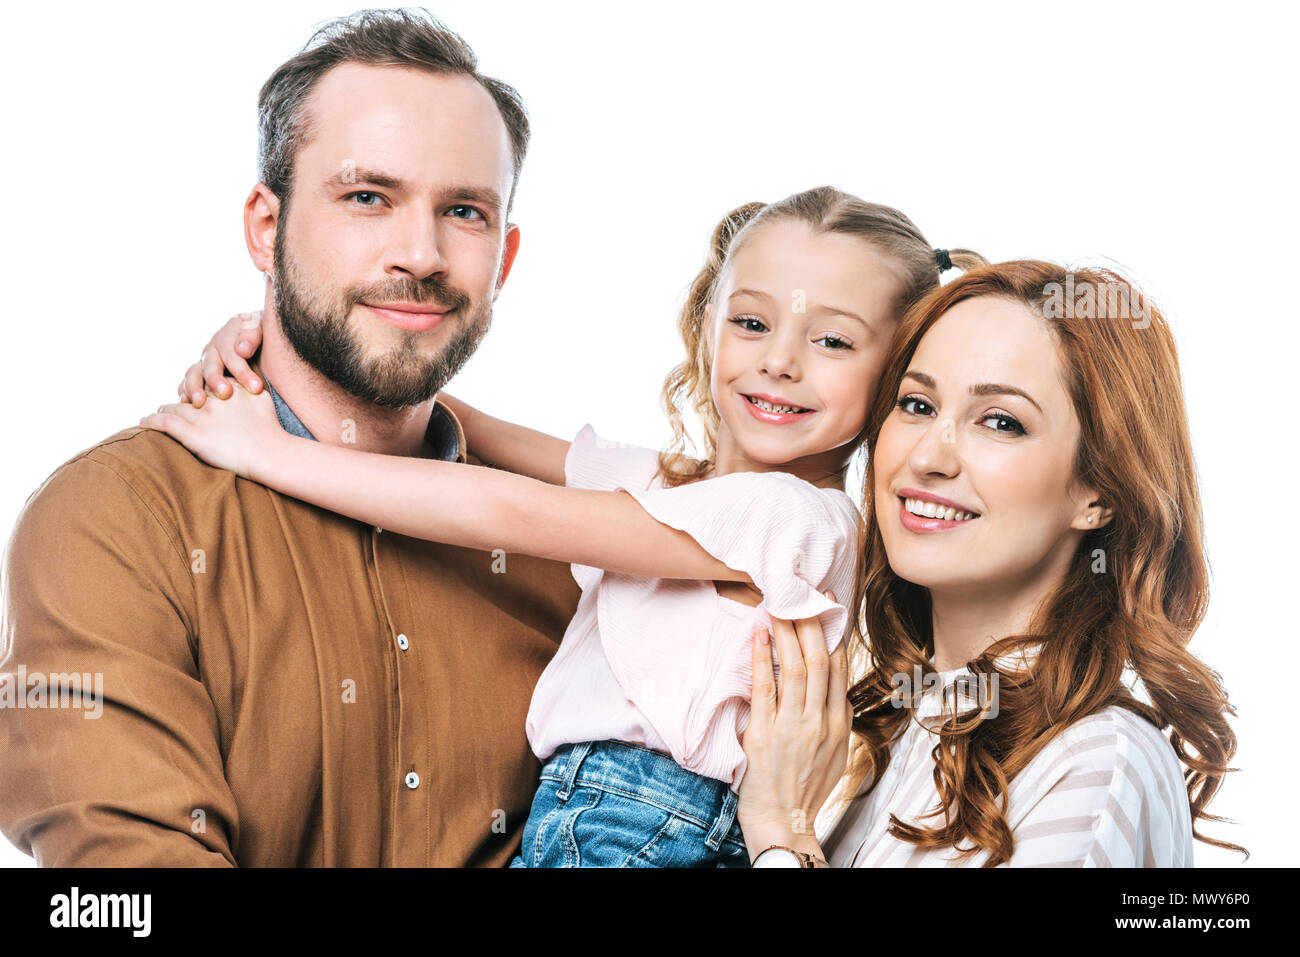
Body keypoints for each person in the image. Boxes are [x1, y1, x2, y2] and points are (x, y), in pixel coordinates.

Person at [147, 188, 980, 867]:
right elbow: (470, 426)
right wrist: (282, 345)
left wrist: (269, 455)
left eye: (833, 340)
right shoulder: (685, 489)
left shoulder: (789, 517)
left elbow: (505, 508)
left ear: (896, 372)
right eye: (753, 322)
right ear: (708, 320)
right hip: (602, 813)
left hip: (641, 823)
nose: (780, 360)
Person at [0, 9, 585, 866]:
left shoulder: (583, 547)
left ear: (505, 255)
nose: (419, 253)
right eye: (366, 198)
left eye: (463, 210)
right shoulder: (112, 524)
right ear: (265, 228)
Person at [733, 260, 1246, 867]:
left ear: (1099, 492)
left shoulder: (1100, 761)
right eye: (917, 404)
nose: (927, 456)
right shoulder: (899, 729)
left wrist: (778, 833)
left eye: (1001, 422)